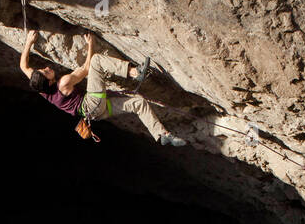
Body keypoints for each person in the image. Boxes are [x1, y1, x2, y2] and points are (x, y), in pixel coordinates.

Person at [19, 30, 186, 145]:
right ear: (49, 82)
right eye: (46, 72)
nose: (47, 69)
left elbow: (23, 66)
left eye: (43, 69)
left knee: (138, 103)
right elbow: (86, 69)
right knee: (97, 60)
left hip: (96, 113)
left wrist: (28, 42)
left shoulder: (40, 87)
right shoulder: (63, 83)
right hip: (92, 103)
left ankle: (162, 135)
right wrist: (90, 44)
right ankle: (135, 73)